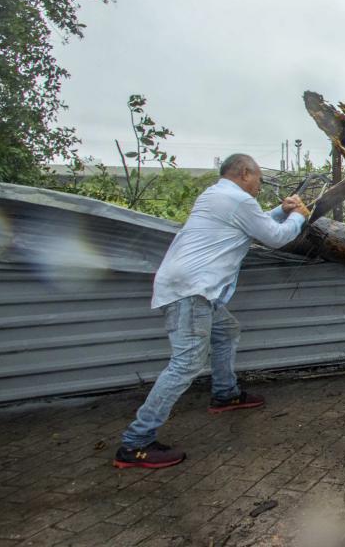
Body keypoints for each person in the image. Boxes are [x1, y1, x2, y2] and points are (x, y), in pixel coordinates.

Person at [114, 154, 310, 469]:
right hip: (192, 291)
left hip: (194, 290)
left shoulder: (217, 194)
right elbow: (275, 237)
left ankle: (225, 393)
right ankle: (135, 442)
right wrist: (298, 216)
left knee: (227, 332)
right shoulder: (237, 200)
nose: (259, 186)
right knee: (185, 366)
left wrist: (281, 211)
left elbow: (255, 224)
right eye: (258, 179)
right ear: (245, 173)